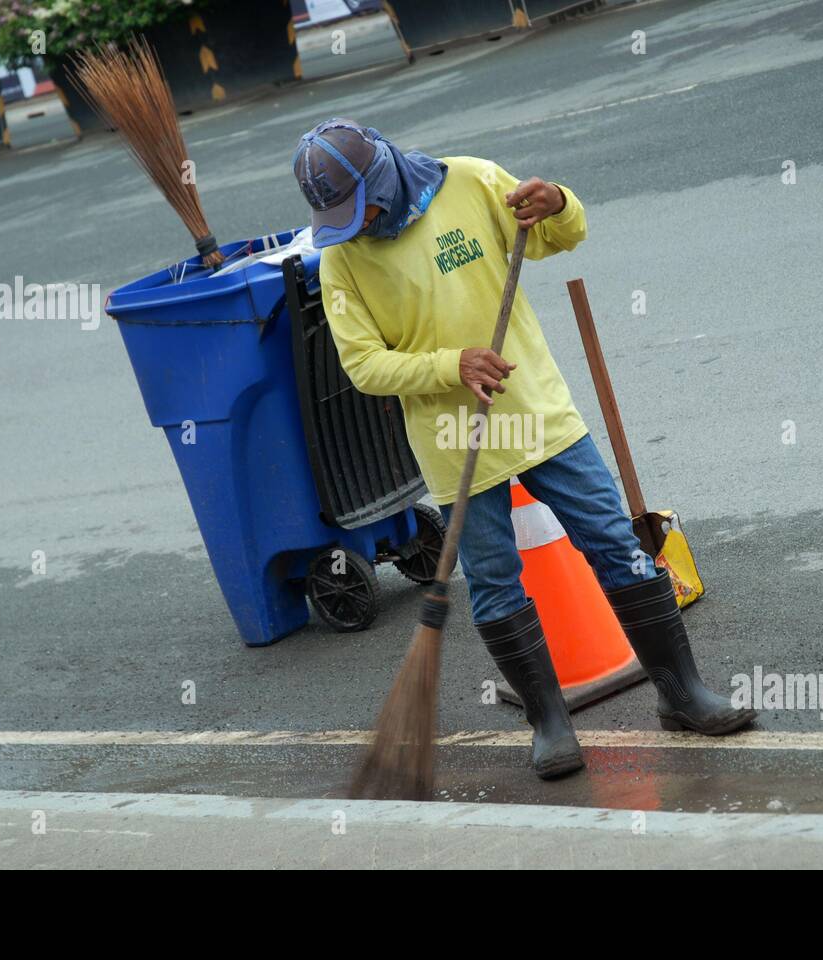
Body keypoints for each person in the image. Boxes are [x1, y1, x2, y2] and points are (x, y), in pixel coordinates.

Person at [293, 118, 755, 779]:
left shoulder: (474, 183)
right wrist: (451, 365)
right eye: (334, 215)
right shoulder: (343, 259)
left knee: (614, 543)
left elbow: (564, 236)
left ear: (382, 176)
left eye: (354, 206)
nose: (351, 223)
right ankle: (549, 720)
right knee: (493, 579)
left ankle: (683, 694)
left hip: (537, 415)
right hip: (454, 443)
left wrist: (558, 204)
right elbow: (364, 365)